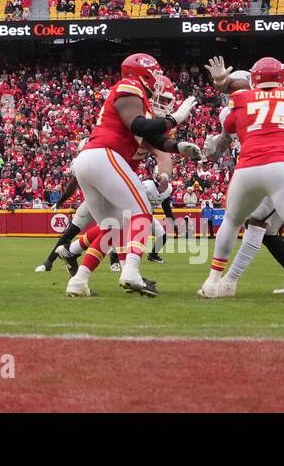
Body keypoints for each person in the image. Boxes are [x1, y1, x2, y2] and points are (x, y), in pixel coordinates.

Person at [199, 56, 284, 305]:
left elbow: (229, 126)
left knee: (230, 222)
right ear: (282, 78)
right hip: (283, 166)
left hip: (247, 168)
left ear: (253, 79)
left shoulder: (241, 98)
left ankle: (212, 281)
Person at [63, 53, 201, 298]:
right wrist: (175, 118)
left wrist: (179, 147)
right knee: (143, 212)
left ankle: (79, 280)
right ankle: (131, 271)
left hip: (91, 161)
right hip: (104, 156)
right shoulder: (130, 86)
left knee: (112, 228)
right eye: (155, 73)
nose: (158, 79)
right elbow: (139, 126)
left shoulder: (137, 99)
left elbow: (155, 140)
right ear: (143, 73)